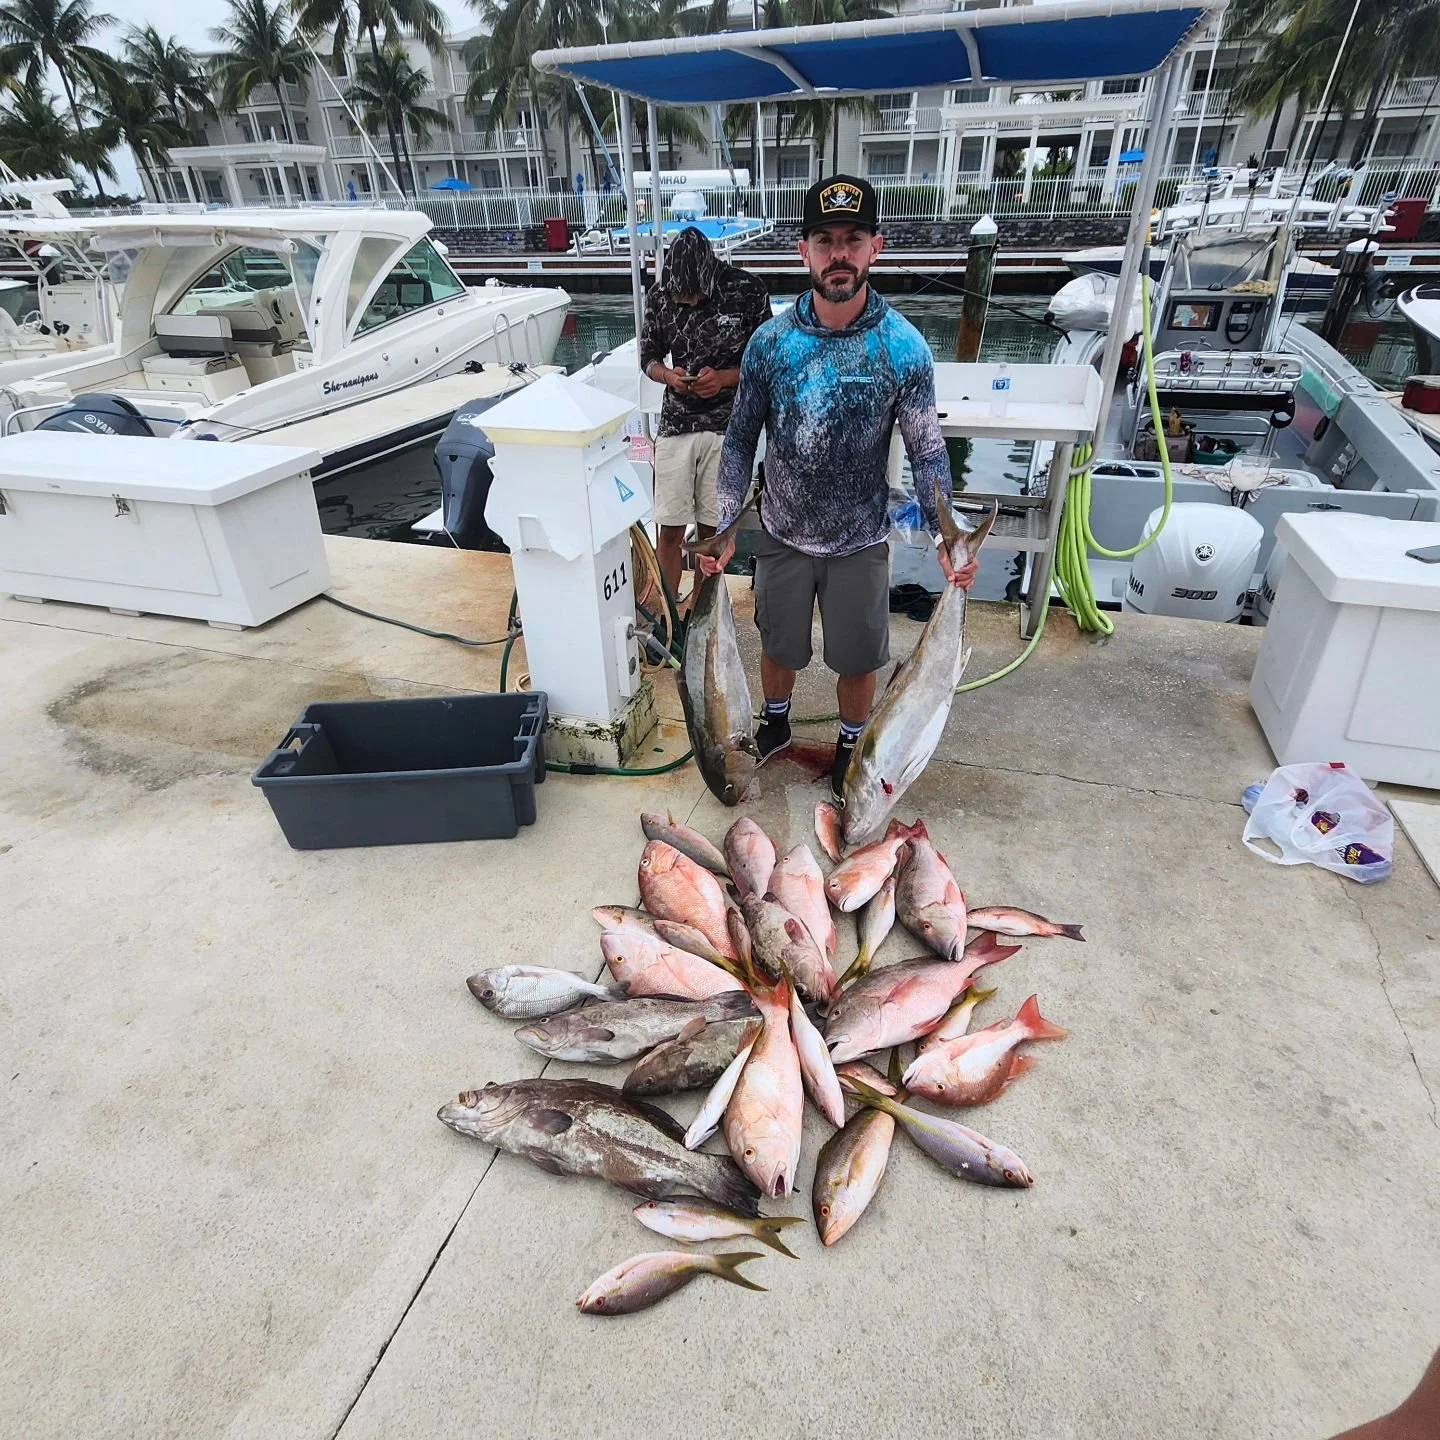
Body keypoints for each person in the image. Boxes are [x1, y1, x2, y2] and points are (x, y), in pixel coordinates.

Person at [700, 174, 977, 801]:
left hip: (860, 536)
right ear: (804, 251)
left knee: (858, 657)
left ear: (875, 247)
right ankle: (774, 726)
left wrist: (946, 534)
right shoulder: (769, 343)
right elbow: (741, 441)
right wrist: (723, 525)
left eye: (853, 239)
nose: (839, 255)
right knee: (779, 645)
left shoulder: (902, 347)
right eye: (825, 241)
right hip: (781, 530)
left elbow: (928, 449)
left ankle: (853, 741)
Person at [638, 225, 771, 605]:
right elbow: (647, 358)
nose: (688, 302)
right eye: (681, 296)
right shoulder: (661, 294)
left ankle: (700, 619)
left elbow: (766, 362)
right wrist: (669, 376)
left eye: (693, 295)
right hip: (676, 426)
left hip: (728, 427)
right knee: (670, 530)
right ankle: (666, 619)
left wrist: (727, 378)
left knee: (713, 535)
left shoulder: (749, 291)